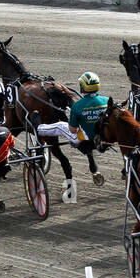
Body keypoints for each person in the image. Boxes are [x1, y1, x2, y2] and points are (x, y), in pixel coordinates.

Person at [36, 71, 109, 203]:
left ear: (82, 87)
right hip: (102, 137)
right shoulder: (106, 101)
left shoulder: (77, 106)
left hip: (83, 139)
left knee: (59, 126)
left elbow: (72, 129)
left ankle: (38, 128)